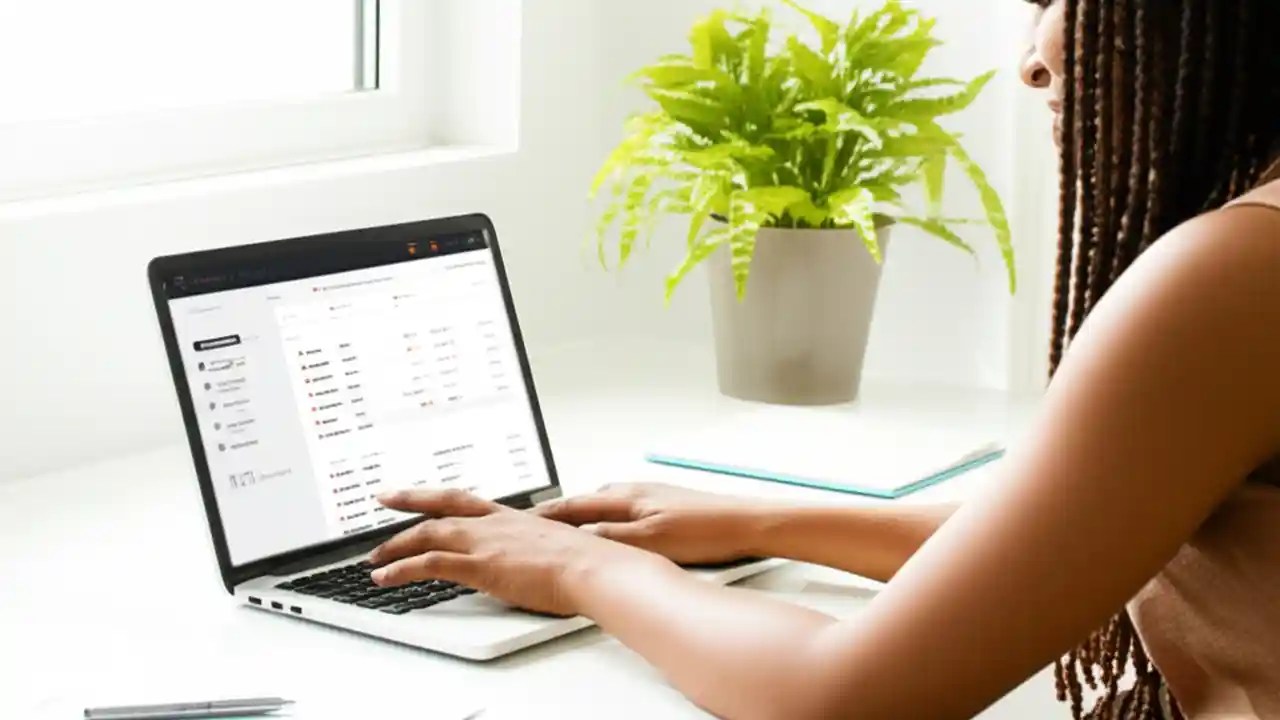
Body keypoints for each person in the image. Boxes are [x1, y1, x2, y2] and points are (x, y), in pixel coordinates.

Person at [367, 1, 1280, 717]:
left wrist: (581, 570)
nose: (1031, 58)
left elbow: (842, 698)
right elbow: (1089, 530)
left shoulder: (1233, 278)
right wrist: (770, 521)